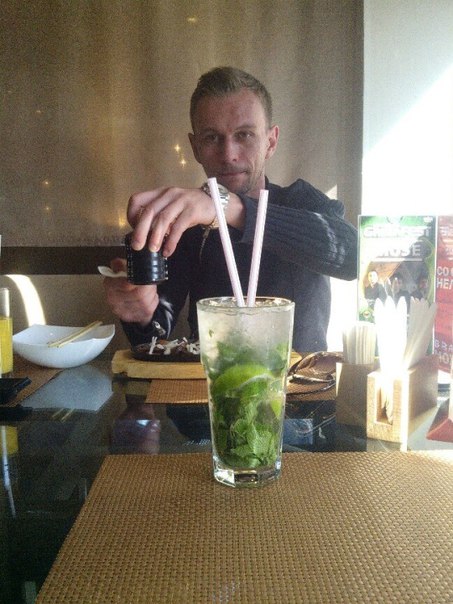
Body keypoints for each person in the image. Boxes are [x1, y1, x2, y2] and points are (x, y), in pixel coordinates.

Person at [104, 66, 358, 352]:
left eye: (244, 135)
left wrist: (225, 207)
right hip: (214, 376)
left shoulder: (300, 202)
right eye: (212, 137)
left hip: (300, 377)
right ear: (195, 147)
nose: (228, 154)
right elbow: (157, 331)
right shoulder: (186, 223)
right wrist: (141, 313)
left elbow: (352, 256)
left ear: (270, 142)